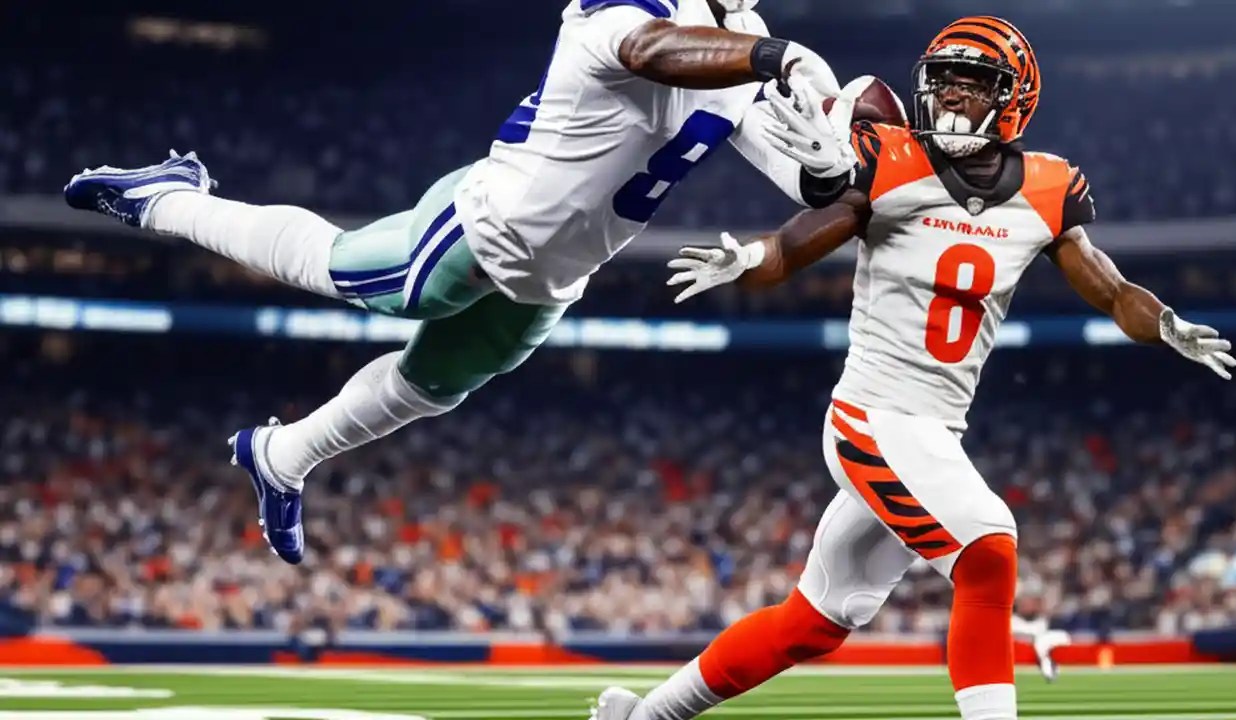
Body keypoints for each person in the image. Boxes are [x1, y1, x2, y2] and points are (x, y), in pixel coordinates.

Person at [598, 16, 1236, 720]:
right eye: (944, 82)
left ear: (1014, 99)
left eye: (973, 84)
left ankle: (645, 716)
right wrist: (746, 259)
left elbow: (1112, 292)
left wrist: (1166, 324)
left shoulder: (1047, 188)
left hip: (932, 433)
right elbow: (792, 246)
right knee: (987, 549)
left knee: (814, 621)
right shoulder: (890, 160)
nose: (952, 96)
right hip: (871, 418)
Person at [64, 0, 854, 565]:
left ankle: (280, 456)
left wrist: (824, 165)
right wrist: (776, 57)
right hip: (490, 221)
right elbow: (652, 49)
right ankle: (167, 198)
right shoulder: (631, 12)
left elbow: (800, 177)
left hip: (563, 268)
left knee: (438, 381)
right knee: (345, 270)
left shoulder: (744, 43)